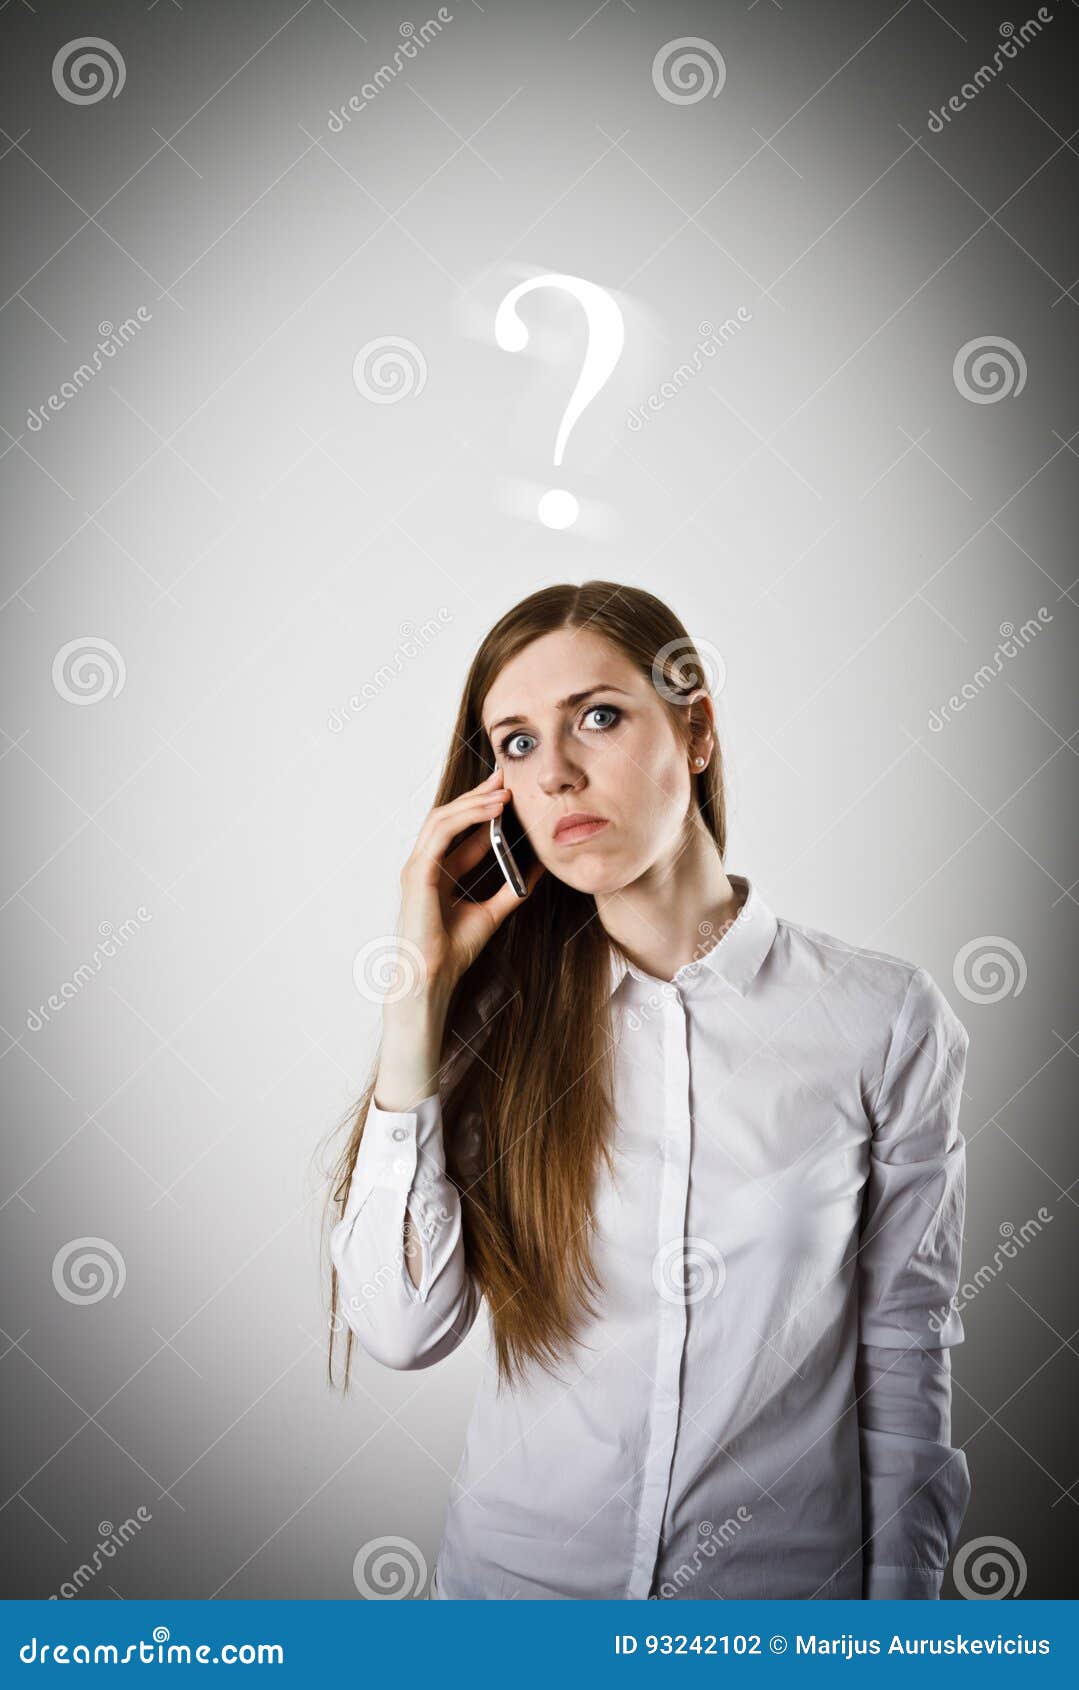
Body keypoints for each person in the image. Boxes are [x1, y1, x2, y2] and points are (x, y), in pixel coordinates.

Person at [324, 580, 972, 1601]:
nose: (557, 772)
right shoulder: (491, 1020)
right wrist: (420, 997)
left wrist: (901, 1642)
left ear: (695, 730)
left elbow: (902, 1347)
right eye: (516, 744)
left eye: (596, 717)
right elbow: (400, 1329)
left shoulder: (879, 1018)